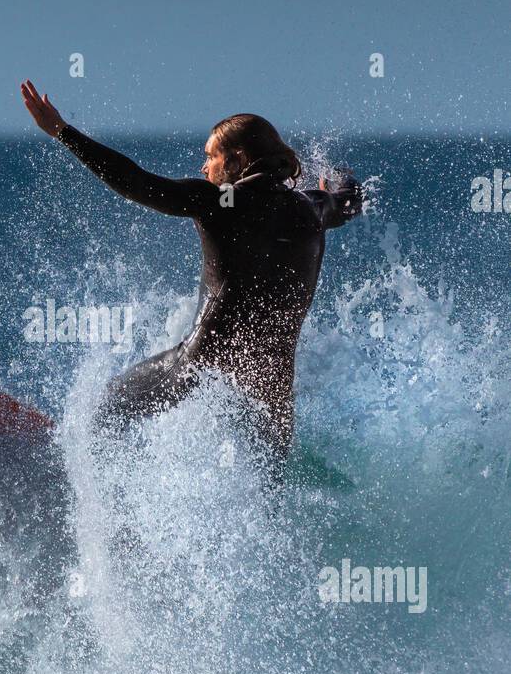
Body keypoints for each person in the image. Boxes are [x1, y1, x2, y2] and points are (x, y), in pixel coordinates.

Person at [20, 80, 362, 457]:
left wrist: (62, 132)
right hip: (272, 387)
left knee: (104, 412)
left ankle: (105, 512)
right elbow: (349, 199)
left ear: (235, 160)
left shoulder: (217, 201)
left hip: (201, 368)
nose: (203, 167)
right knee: (270, 494)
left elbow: (134, 180)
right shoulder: (313, 208)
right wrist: (336, 178)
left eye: (211, 157)